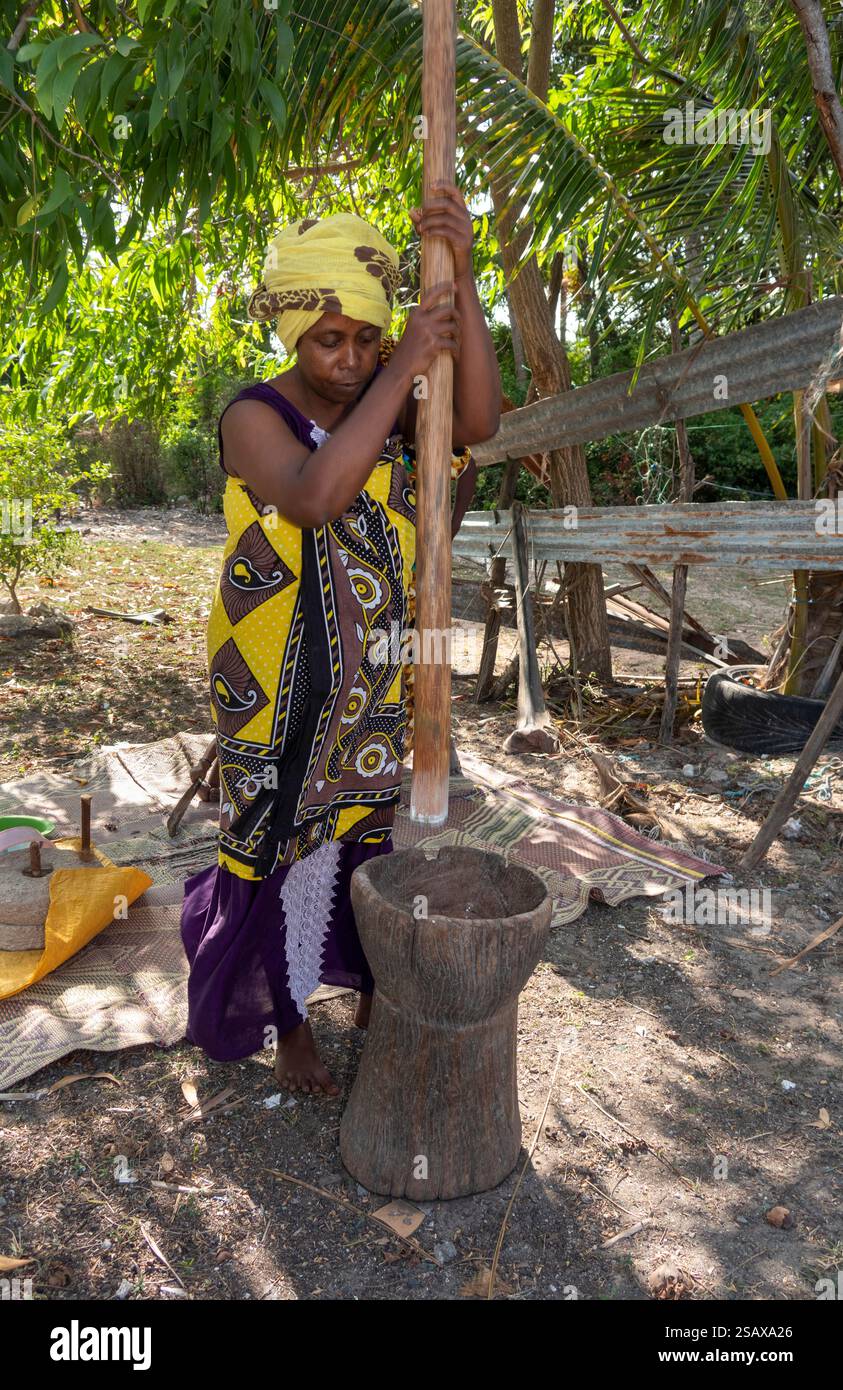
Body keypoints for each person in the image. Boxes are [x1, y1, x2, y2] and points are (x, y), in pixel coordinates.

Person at [180, 182, 502, 1096]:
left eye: (369, 336)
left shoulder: (389, 403)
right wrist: (405, 363)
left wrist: (465, 282)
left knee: (360, 831)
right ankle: (283, 1022)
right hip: (275, 680)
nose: (352, 358)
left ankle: (363, 988)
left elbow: (477, 423)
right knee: (275, 840)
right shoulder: (255, 416)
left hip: (376, 677)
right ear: (291, 332)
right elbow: (318, 496)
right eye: (331, 339)